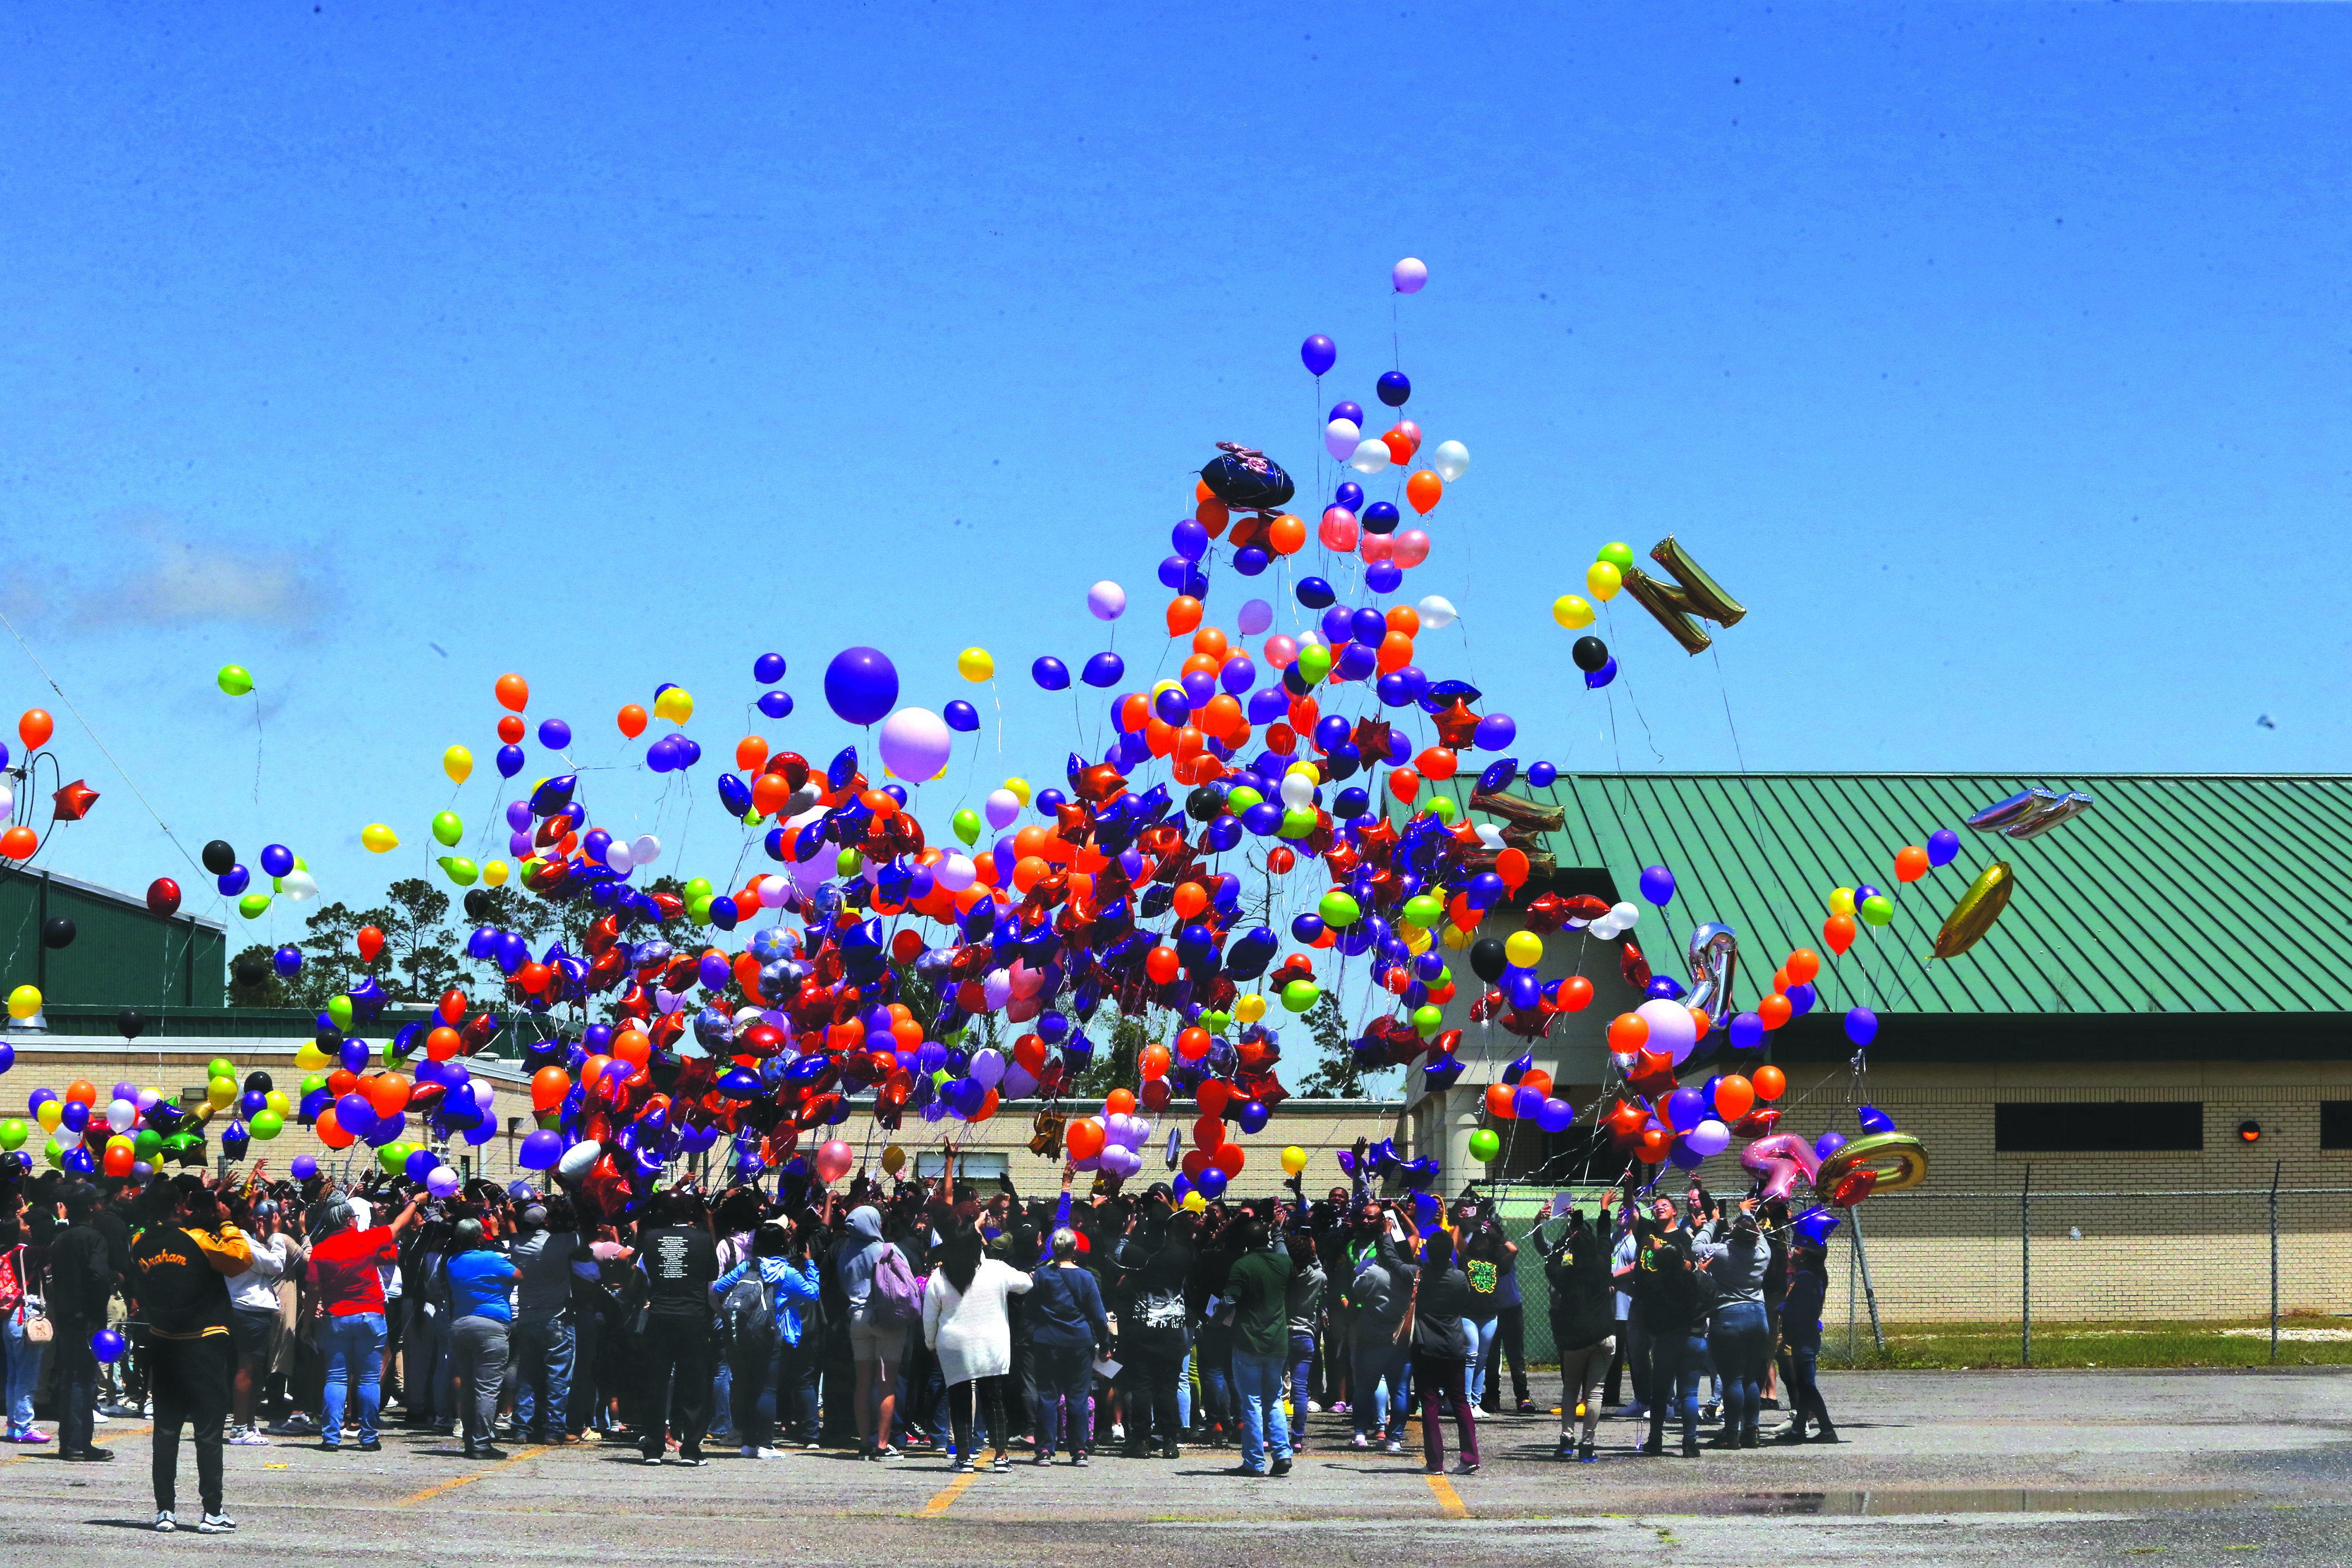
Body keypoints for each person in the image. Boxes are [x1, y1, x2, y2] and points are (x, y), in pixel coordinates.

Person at [132, 1178, 253, 1533]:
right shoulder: (198, 1238)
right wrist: (225, 1222)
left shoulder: (139, 1242)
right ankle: (212, 1511)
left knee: (166, 1431)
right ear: (178, 1207)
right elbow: (241, 1261)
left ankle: (165, 1511)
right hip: (203, 1341)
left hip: (163, 1344)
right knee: (209, 1430)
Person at [304, 1188, 424, 1454]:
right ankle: (368, 1437)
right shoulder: (366, 1239)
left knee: (335, 1379)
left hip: (337, 1317)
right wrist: (415, 1201)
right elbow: (399, 1225)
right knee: (368, 1379)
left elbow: (313, 1291)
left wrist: (306, 1323)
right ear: (349, 1221)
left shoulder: (321, 1250)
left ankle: (331, 1437)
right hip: (371, 1315)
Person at [922, 1225, 1033, 1473]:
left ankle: (963, 1458)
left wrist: (931, 1344)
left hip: (954, 1346)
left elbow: (929, 1316)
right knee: (993, 1400)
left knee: (960, 1401)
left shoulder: (940, 1276)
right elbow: (1026, 1284)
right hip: (992, 1345)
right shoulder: (996, 1269)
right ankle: (1001, 1458)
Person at [710, 1219, 820, 1458]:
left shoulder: (748, 1267)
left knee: (748, 1387)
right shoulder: (787, 1272)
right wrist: (811, 1264)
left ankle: (749, 1443)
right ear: (782, 1243)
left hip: (746, 1333)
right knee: (767, 1389)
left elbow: (719, 1288)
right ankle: (765, 1444)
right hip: (775, 1334)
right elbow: (811, 1294)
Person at [636, 1191, 721, 1466]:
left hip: (659, 1316)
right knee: (694, 1384)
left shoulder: (651, 1238)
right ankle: (691, 1450)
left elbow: (645, 1272)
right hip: (693, 1317)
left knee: (654, 1383)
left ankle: (652, 1448)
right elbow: (712, 1274)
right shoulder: (701, 1239)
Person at [1112, 1198, 1191, 1458]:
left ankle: (1142, 1440)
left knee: (1143, 1385)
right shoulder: (1182, 1254)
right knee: (1168, 1386)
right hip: (1173, 1329)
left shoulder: (1139, 1254)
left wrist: (1128, 1231)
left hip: (1142, 1328)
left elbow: (1118, 1253)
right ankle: (1170, 1440)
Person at [46, 1183, 118, 1460]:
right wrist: (101, 1300)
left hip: (64, 1316)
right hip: (86, 1319)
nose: (103, 1206)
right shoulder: (94, 1237)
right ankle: (79, 1443)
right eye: (99, 1202)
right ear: (90, 1207)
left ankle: (69, 1441)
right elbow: (97, 1276)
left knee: (69, 1378)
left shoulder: (62, 1237)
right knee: (82, 1379)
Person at [1399, 1225, 1478, 1476]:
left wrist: (1387, 1233)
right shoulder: (1459, 1278)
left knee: (1430, 1404)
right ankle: (1470, 1456)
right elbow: (1465, 1299)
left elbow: (1394, 1262)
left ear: (1427, 1253)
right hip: (1454, 1344)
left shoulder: (1419, 1275)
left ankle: (1435, 1463)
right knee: (1460, 1402)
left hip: (1426, 1347)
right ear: (1450, 1253)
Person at [1025, 1226, 1107, 1465]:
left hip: (1047, 1341)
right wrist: (1105, 1345)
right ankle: (1079, 1450)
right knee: (1078, 1396)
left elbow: (1028, 1311)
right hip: (1079, 1342)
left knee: (1048, 1396)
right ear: (1074, 1249)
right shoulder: (1086, 1277)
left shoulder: (1041, 1275)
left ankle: (1044, 1450)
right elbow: (1099, 1317)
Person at [1541, 1206, 1617, 1462]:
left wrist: (1566, 1238)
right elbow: (1606, 1235)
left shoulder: (1566, 1274)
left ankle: (1566, 1441)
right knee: (1596, 1392)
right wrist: (1605, 1210)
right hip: (1604, 1335)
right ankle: (1588, 1446)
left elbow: (1551, 1260)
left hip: (1575, 1337)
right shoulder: (1603, 1263)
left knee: (1571, 1388)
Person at [1695, 1201, 1771, 1449]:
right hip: (1759, 1318)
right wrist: (1747, 1212)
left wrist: (1713, 1223)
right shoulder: (1764, 1253)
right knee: (1751, 1378)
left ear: (1733, 1235)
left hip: (1729, 1317)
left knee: (1732, 1379)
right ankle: (1752, 1430)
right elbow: (1756, 1234)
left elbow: (1696, 1246)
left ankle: (1731, 1433)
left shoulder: (1722, 1252)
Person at [836, 1202, 909, 1459]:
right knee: (887, 1384)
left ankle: (864, 1444)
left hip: (857, 1317)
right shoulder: (887, 1250)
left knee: (863, 1383)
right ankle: (882, 1445)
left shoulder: (846, 1254)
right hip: (887, 1317)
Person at [1223, 1215, 1295, 1478]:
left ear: (1245, 1243)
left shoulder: (1243, 1265)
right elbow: (1283, 1252)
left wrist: (1216, 1320)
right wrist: (1277, 1232)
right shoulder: (1283, 1263)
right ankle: (1283, 1454)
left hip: (1248, 1340)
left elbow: (1230, 1300)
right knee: (1274, 1398)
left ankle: (1254, 1461)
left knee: (1251, 1402)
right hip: (1277, 1341)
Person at [507, 1201, 582, 1443]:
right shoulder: (561, 1243)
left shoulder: (517, 1245)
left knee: (527, 1375)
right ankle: (553, 1429)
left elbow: (512, 1232)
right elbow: (583, 1235)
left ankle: (521, 1427)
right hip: (555, 1317)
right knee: (558, 1377)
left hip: (527, 1316)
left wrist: (510, 1217)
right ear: (546, 1222)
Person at [1635, 1210, 1708, 1460]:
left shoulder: (1656, 1283)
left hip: (1667, 1339)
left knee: (1660, 1392)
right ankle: (1690, 1443)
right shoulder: (1695, 1280)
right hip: (1694, 1338)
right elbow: (1711, 1294)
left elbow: (1647, 1310)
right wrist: (1700, 1271)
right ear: (1683, 1261)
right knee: (1689, 1393)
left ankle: (1655, 1439)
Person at [445, 1217, 519, 1460]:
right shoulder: (492, 1258)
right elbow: (519, 1276)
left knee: (467, 1386)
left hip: (460, 1323)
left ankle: (469, 1440)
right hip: (491, 1324)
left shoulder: (452, 1262)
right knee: (487, 1389)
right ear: (478, 1237)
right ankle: (482, 1442)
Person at [226, 1197, 295, 1446]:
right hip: (250, 1309)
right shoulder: (241, 1241)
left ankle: (249, 1423)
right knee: (247, 1368)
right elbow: (275, 1265)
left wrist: (266, 1238)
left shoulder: (240, 1239)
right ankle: (239, 1428)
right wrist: (277, 1236)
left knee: (254, 1371)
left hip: (247, 1308)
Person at [1346, 1202, 1412, 1454]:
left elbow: (1356, 1291)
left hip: (1372, 1336)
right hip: (1400, 1340)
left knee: (1365, 1387)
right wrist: (1395, 1222)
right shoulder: (1411, 1273)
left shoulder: (1372, 1273)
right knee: (1400, 1390)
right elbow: (1411, 1239)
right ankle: (1395, 1438)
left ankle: (1361, 1434)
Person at [1777, 1237, 1838, 1444]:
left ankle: (1828, 1430)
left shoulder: (1805, 1278)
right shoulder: (1813, 1275)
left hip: (1805, 1336)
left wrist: (1779, 1308)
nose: (1795, 1251)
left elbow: (1797, 1308)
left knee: (1808, 1385)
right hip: (1805, 1335)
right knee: (1803, 1385)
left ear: (1808, 1255)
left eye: (1800, 1249)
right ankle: (1798, 1430)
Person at [1279, 1229, 1324, 1453]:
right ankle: (1297, 1437)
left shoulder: (1283, 1276)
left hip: (1282, 1332)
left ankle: (1272, 1433)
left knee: (1276, 1389)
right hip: (1305, 1334)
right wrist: (1314, 1256)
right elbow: (1320, 1272)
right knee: (1301, 1391)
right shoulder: (1318, 1277)